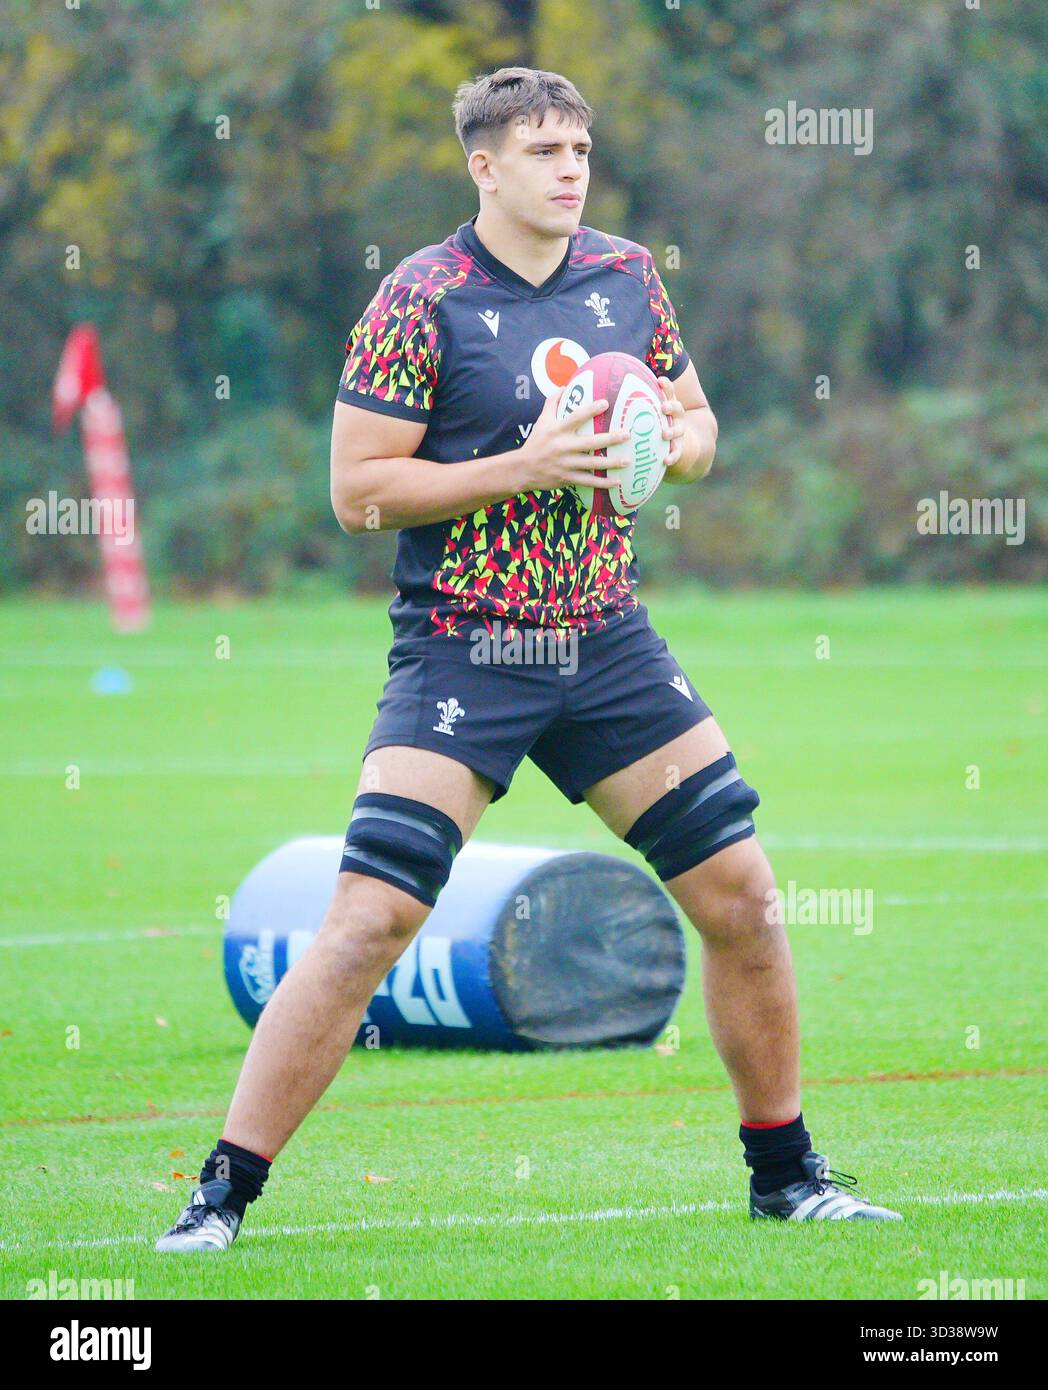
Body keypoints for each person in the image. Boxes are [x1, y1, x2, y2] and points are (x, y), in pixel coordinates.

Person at [157, 66, 899, 1252]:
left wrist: (661, 451)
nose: (568, 172)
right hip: (466, 646)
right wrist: (527, 464)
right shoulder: (422, 297)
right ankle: (219, 1196)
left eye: (580, 151)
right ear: (483, 166)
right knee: (368, 922)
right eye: (542, 151)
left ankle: (787, 1173)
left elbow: (700, 425)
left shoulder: (625, 276)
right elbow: (357, 493)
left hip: (605, 641)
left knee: (744, 899)